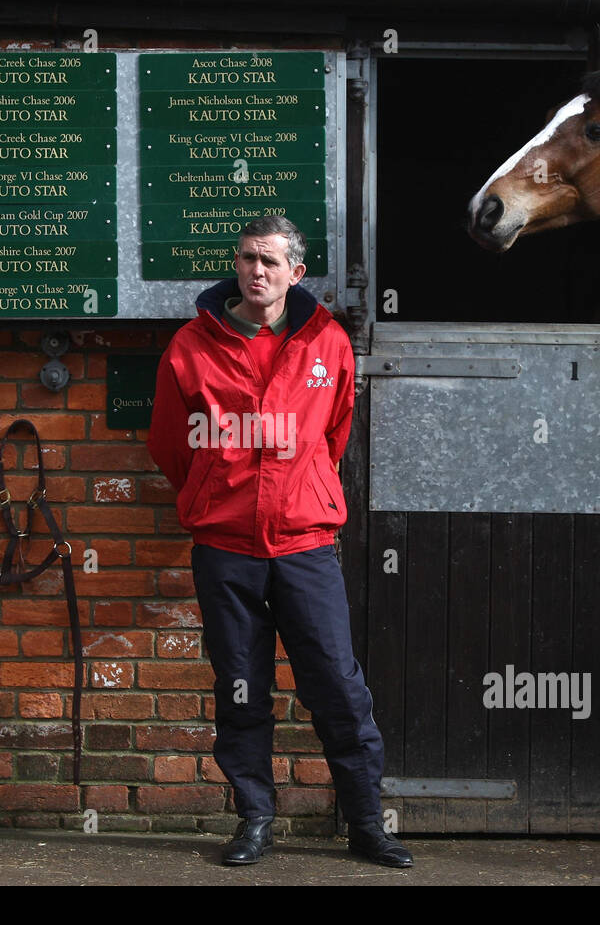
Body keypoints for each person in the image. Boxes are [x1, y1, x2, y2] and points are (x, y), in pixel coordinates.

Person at [148, 216, 412, 868]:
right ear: (235, 266)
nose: (256, 271)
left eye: (269, 260)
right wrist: (218, 491)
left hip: (304, 543)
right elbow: (171, 444)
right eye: (246, 259)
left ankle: (366, 823)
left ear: (296, 272)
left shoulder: (328, 341)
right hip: (226, 546)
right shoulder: (191, 347)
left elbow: (335, 432)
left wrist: (304, 491)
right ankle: (255, 820)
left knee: (338, 687)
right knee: (241, 687)